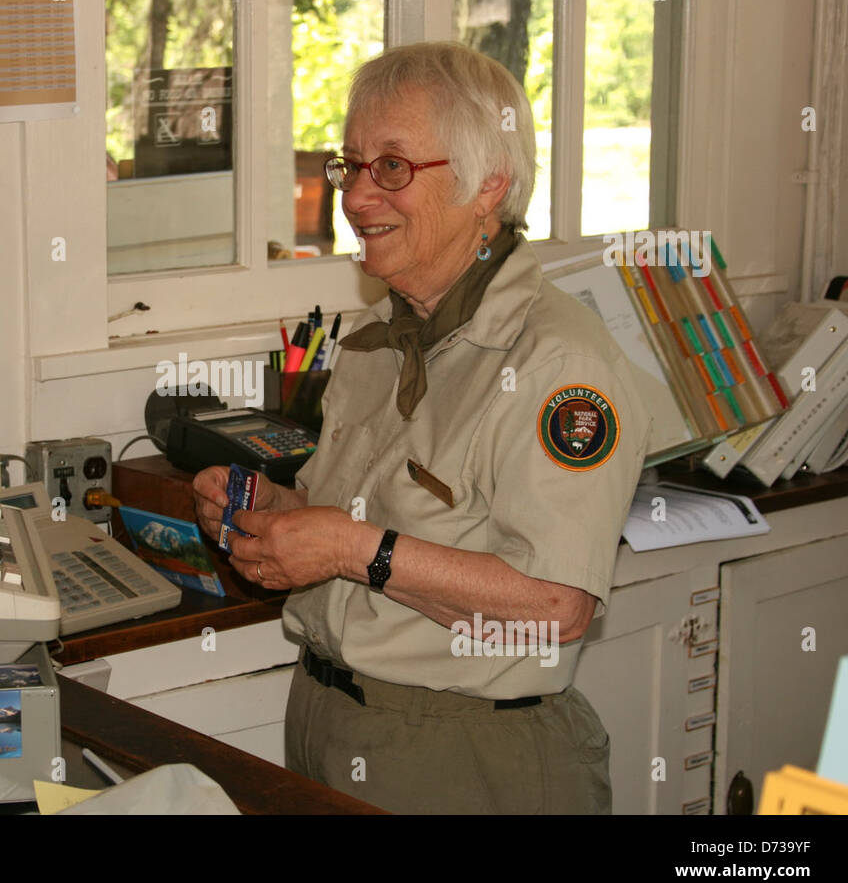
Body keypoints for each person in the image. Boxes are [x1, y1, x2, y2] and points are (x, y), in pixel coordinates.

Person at [193, 42, 651, 814]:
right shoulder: (378, 341)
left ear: (488, 187)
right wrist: (271, 513)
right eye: (352, 165)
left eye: (394, 168)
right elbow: (364, 517)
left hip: (468, 758)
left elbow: (554, 607)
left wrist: (344, 546)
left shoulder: (558, 366)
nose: (356, 197)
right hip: (326, 721)